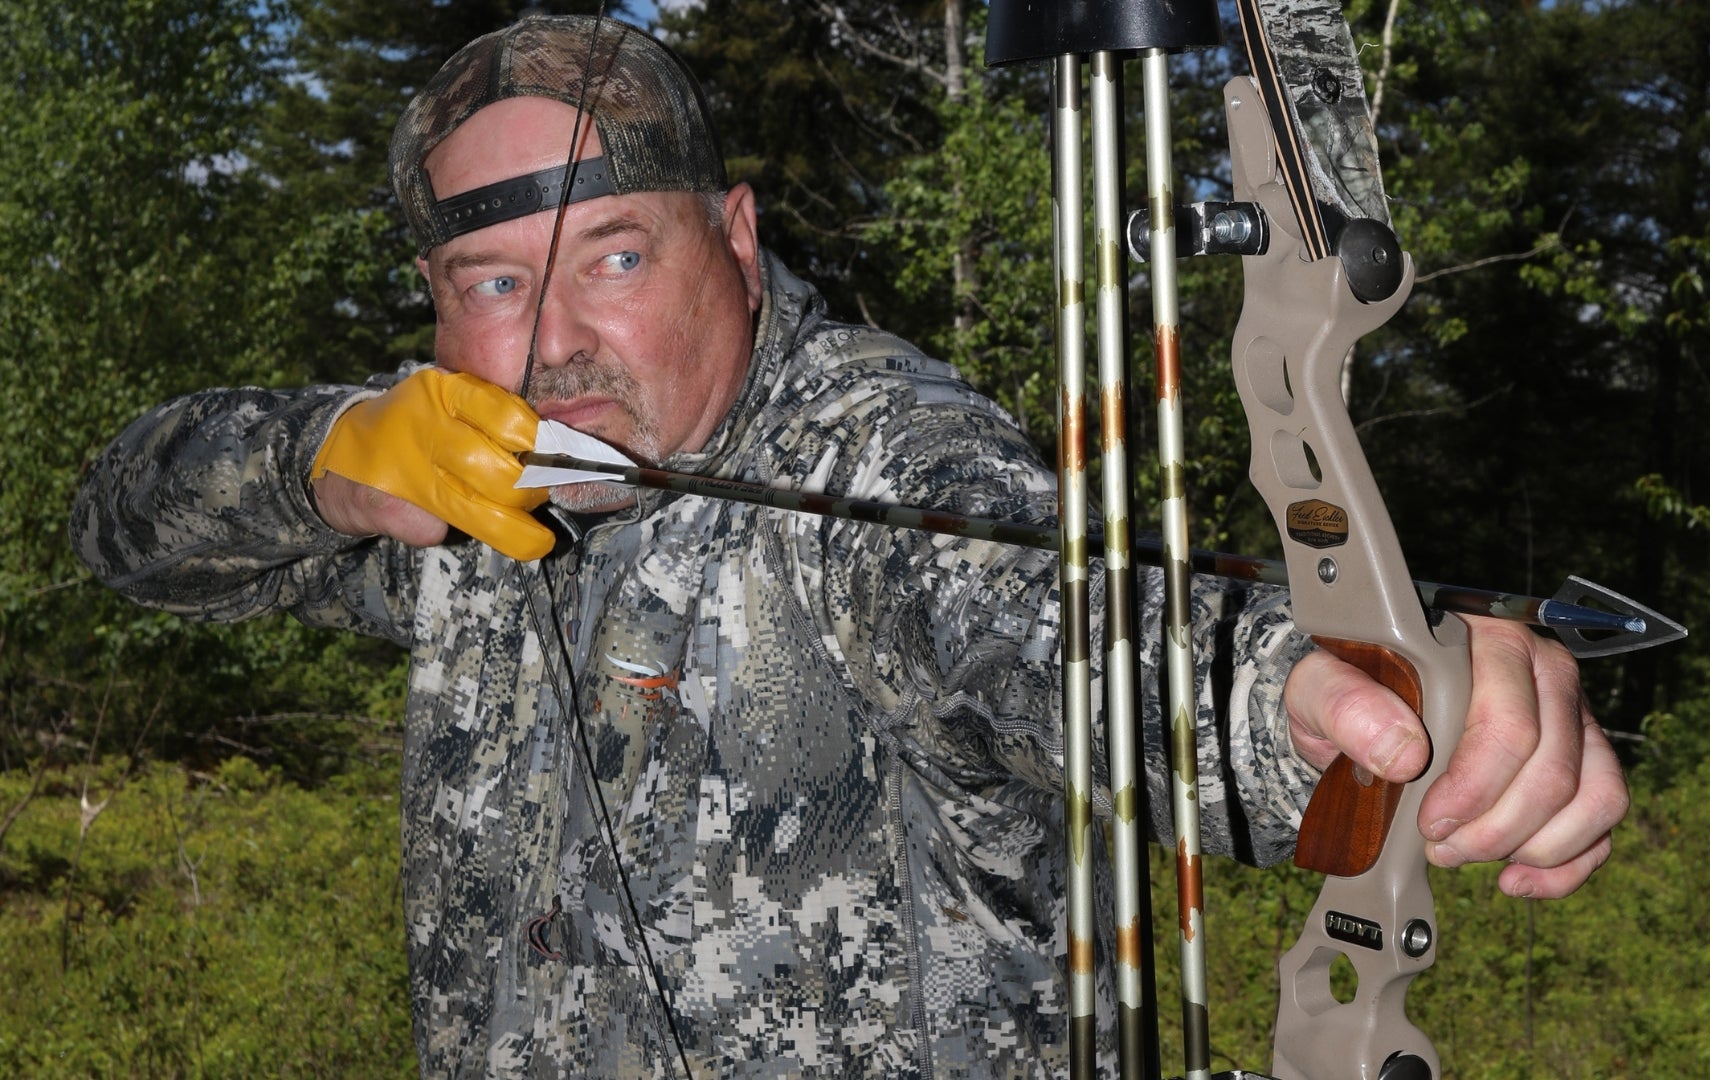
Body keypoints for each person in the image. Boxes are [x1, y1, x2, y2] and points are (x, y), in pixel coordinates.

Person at [71, 15, 1625, 1078]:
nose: (553, 341)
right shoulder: (471, 488)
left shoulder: (866, 447)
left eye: (618, 254)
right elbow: (121, 519)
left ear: (737, 240)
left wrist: (1352, 703)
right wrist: (328, 462)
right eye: (489, 283)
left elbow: (1039, 617)